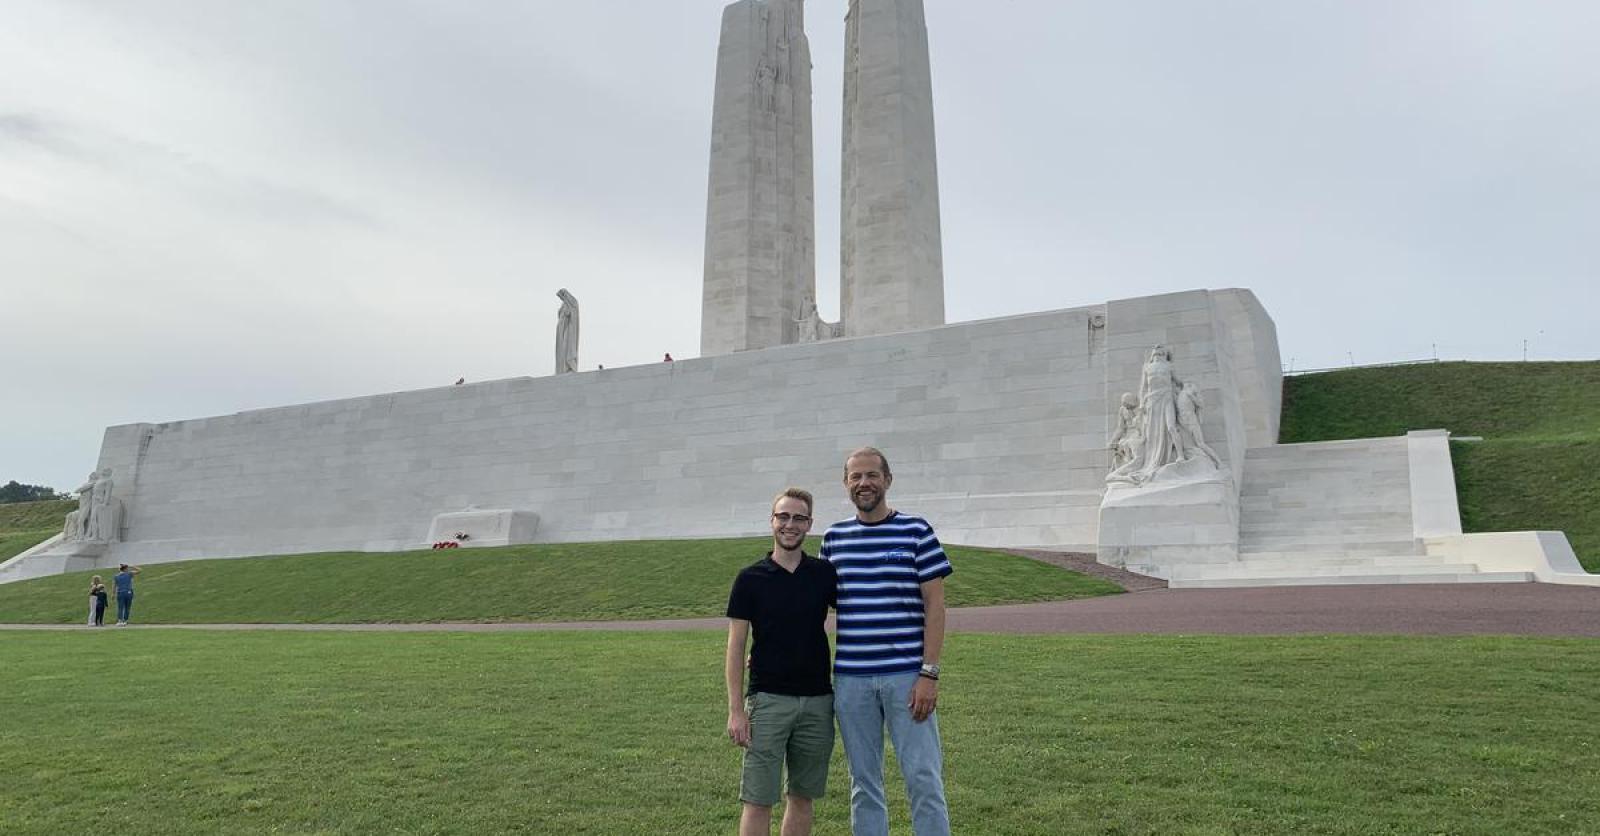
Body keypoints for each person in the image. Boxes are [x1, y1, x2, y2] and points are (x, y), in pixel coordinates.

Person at [821, 447, 953, 836]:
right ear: (846, 483)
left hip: (907, 679)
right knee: (863, 782)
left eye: (872, 475)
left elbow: (935, 605)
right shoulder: (833, 539)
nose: (864, 483)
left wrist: (929, 673)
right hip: (852, 680)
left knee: (923, 777)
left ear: (888, 480)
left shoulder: (916, 531)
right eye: (856, 477)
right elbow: (814, 608)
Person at [725, 488, 838, 836]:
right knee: (758, 799)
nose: (790, 525)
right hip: (768, 701)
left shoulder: (824, 574)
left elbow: (859, 615)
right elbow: (736, 646)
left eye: (799, 518)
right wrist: (736, 710)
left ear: (810, 524)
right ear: (772, 521)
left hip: (818, 702)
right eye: (783, 517)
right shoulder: (749, 579)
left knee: (802, 797)